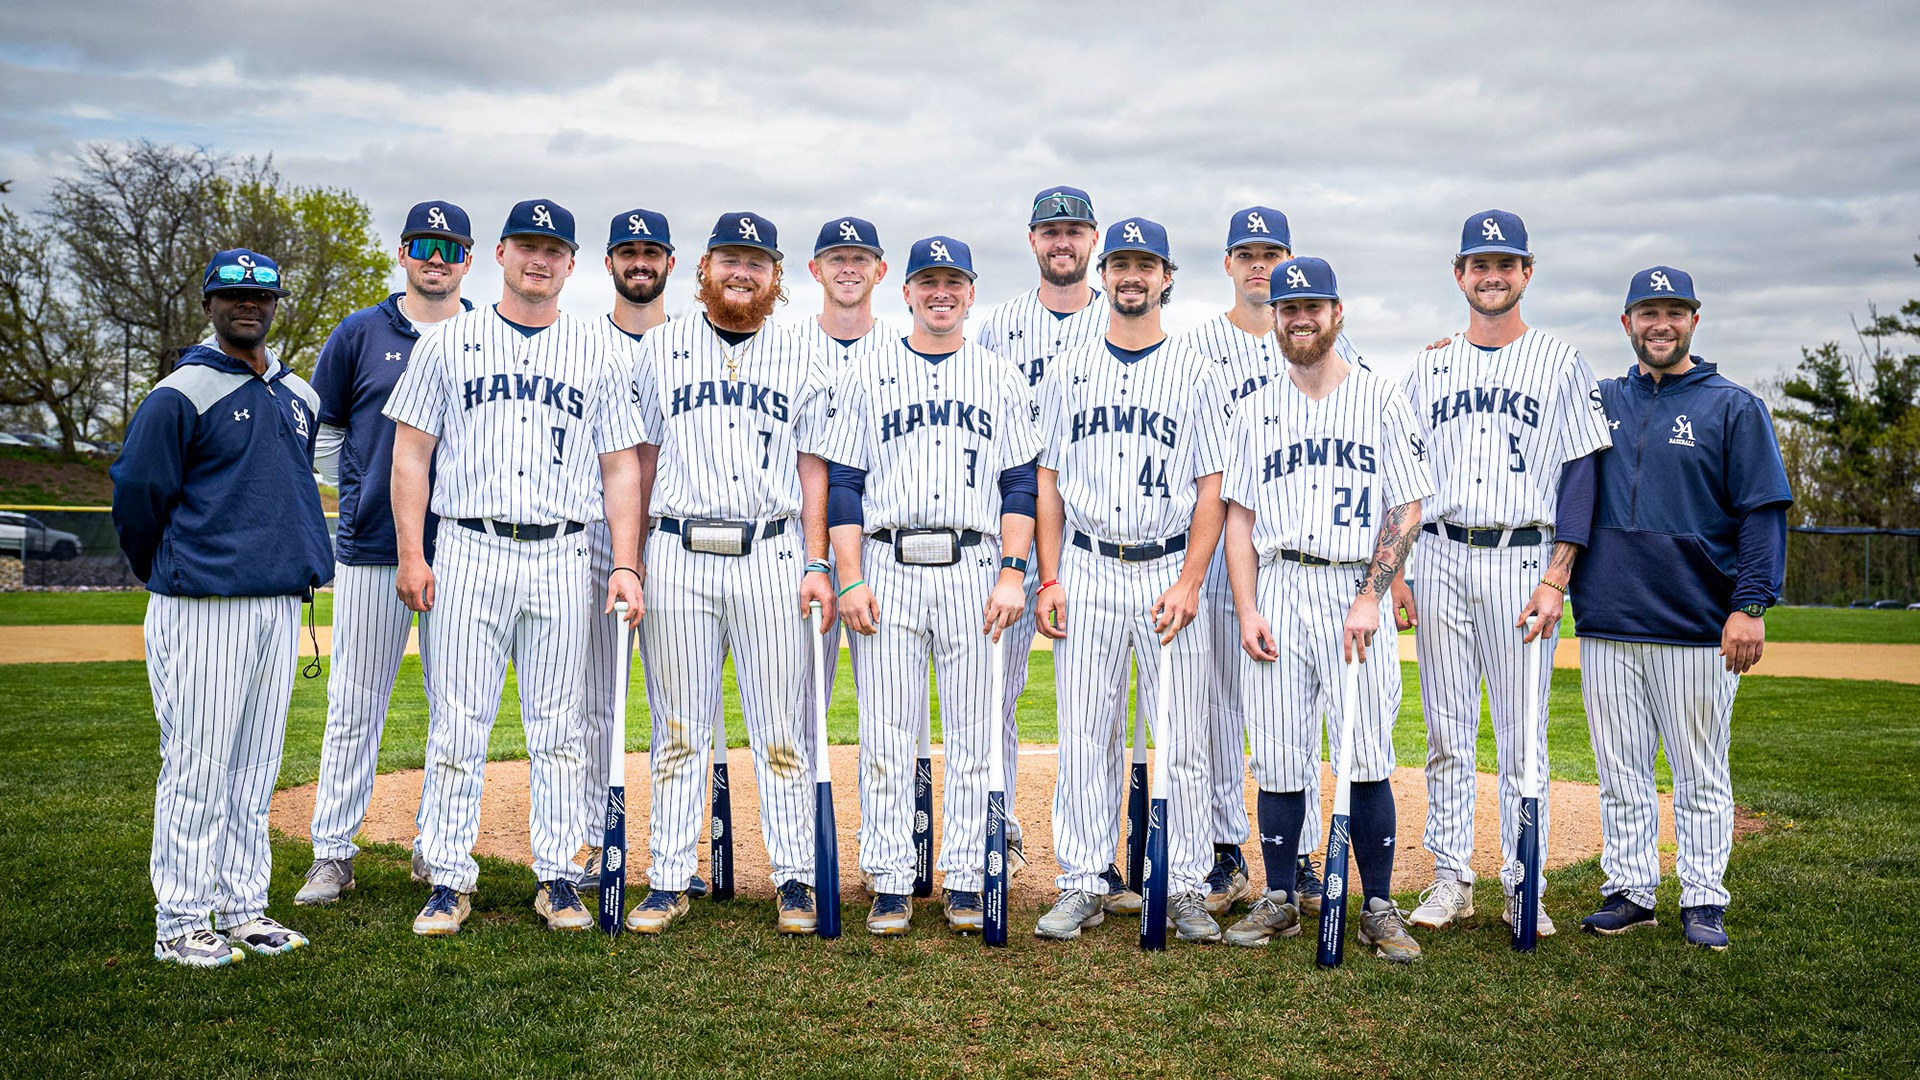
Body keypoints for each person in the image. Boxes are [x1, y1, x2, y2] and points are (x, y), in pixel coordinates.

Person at [385, 199, 646, 936]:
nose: (540, 259)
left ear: (571, 263)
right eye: (528, 245)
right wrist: (413, 554)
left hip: (563, 551)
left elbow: (621, 468)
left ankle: (558, 874)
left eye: (554, 249)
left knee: (560, 726)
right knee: (457, 722)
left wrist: (626, 564)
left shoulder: (598, 351)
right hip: (469, 546)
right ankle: (447, 877)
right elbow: (411, 456)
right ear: (500, 253)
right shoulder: (447, 342)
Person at [1393, 210, 1612, 938]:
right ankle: (1451, 877)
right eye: (1480, 264)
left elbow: (1581, 472)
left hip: (1524, 557)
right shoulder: (1429, 365)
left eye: (1505, 263)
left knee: (1524, 736)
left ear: (1526, 273)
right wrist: (1397, 570)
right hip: (1440, 553)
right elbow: (1403, 472)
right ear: (1460, 274)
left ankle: (1526, 882)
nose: (1492, 275)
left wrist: (1557, 576)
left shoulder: (1560, 361)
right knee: (1447, 732)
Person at [813, 235, 1040, 935]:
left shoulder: (999, 376)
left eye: (954, 281)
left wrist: (1013, 572)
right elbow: (845, 485)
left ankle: (966, 876)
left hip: (974, 566)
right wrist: (850, 577)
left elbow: (1020, 485)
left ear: (971, 293)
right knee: (885, 731)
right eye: (928, 281)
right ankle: (889, 878)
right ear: (906, 291)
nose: (941, 293)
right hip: (887, 563)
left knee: (974, 733)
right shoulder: (867, 371)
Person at [112, 248, 334, 966]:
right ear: (209, 303)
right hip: (203, 604)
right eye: (233, 293)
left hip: (278, 601)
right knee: (199, 767)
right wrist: (169, 569)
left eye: (260, 295)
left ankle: (242, 908)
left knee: (254, 769)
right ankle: (179, 921)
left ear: (275, 305)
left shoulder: (299, 394)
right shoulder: (180, 392)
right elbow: (137, 496)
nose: (248, 304)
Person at [622, 212, 839, 936]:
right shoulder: (659, 349)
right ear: (704, 268)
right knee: (679, 729)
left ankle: (794, 878)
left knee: (782, 731)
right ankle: (668, 878)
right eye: (730, 259)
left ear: (776, 275)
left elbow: (813, 466)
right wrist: (632, 560)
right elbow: (641, 461)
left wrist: (816, 561)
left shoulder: (804, 351)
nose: (742, 273)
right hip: (678, 550)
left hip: (771, 551)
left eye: (757, 262)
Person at [1217, 258, 1433, 961]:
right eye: (1289, 308)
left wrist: (1372, 594)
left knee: (1365, 751)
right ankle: (1281, 896)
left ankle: (1378, 907)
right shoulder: (1253, 409)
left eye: (1312, 306)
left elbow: (1407, 506)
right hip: (1280, 585)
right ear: (1275, 319)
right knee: (1279, 752)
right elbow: (1240, 520)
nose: (1300, 318)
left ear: (1337, 313)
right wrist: (1247, 608)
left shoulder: (1380, 398)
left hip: (1351, 590)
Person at [1573, 266, 1790, 951]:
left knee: (1699, 773)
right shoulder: (1600, 399)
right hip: (1608, 620)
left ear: (1694, 320)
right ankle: (1631, 891)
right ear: (1627, 323)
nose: (1660, 324)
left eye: (1673, 311)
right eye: (1647, 312)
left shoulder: (1734, 406)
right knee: (1621, 772)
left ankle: (1703, 898)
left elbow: (1762, 513)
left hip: (1697, 625)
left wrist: (1750, 605)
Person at [1030, 217, 1226, 944]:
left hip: (1168, 566)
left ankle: (1185, 886)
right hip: (1086, 565)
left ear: (1166, 277)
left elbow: (1212, 489)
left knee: (1183, 737)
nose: (1132, 276)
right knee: (1086, 734)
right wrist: (1050, 577)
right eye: (1121, 264)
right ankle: (1083, 881)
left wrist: (1192, 580)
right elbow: (1048, 481)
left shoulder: (1197, 372)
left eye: (1146, 265)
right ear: (1103, 274)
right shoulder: (1068, 367)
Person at [1176, 206, 1370, 918]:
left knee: (1299, 708)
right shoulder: (1196, 346)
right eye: (1246, 252)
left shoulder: (1323, 337)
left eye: (1271, 252)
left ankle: (1303, 857)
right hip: (1222, 545)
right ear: (1228, 263)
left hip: (1293, 555)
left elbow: (1374, 428)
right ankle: (1226, 851)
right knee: (1223, 706)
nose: (1259, 263)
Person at [297, 201, 474, 906]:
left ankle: (436, 846)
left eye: (450, 247)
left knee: (452, 710)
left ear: (468, 260)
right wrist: (361, 488)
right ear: (402, 252)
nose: (436, 258)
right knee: (354, 704)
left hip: (462, 550)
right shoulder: (359, 333)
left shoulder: (484, 334)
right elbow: (322, 432)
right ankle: (332, 853)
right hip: (372, 547)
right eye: (423, 244)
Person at [970, 185, 1116, 895]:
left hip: (1084, 537)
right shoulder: (997, 328)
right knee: (991, 691)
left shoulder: (1121, 319)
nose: (1063, 241)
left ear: (1093, 240)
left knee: (1095, 705)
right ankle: (994, 829)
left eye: (1074, 230)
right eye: (1051, 230)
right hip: (1006, 525)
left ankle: (1098, 851)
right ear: (1032, 240)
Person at [570, 207, 705, 895]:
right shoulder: (581, 342)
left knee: (680, 700)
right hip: (595, 536)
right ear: (609, 262)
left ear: (671, 263)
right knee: (598, 698)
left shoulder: (694, 343)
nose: (640, 262)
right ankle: (597, 842)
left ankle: (675, 851)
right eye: (628, 251)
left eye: (652, 251)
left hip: (676, 538)